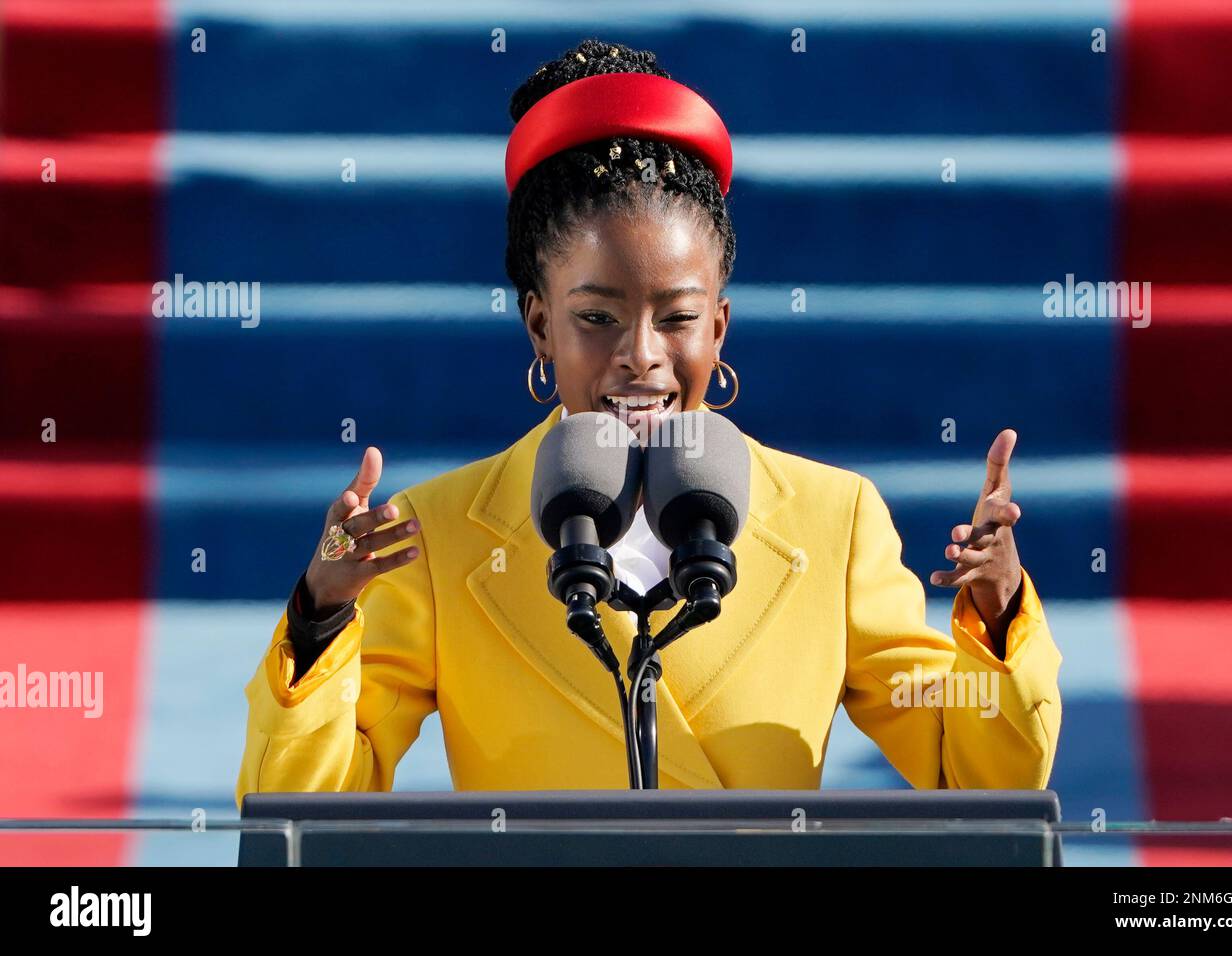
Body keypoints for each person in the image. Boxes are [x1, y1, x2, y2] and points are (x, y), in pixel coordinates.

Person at [235, 39, 1062, 807]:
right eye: (597, 318)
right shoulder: (439, 535)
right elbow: (306, 818)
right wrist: (320, 617)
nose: (641, 356)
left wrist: (996, 614)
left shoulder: (832, 521)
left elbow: (976, 777)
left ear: (720, 328)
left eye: (677, 317)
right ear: (539, 327)